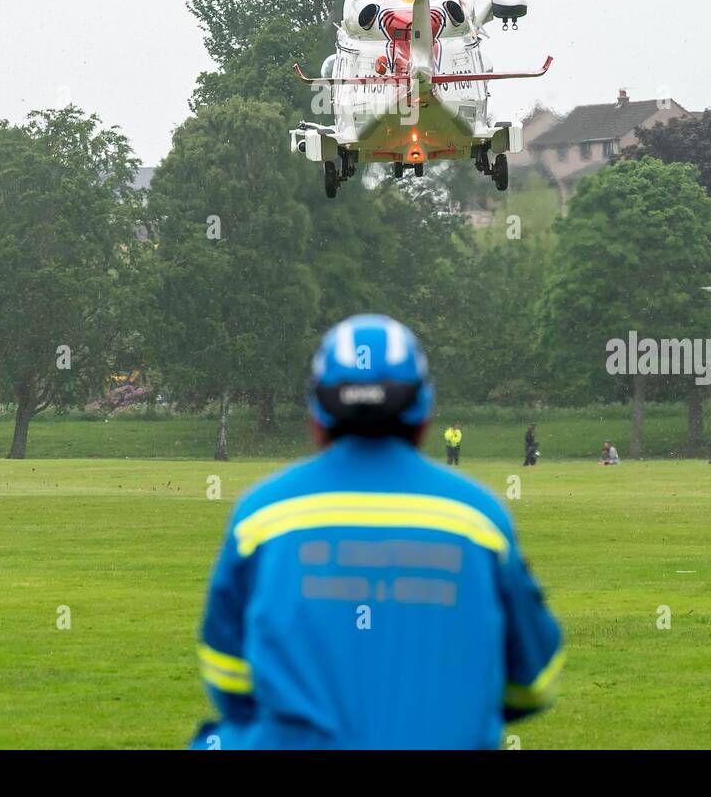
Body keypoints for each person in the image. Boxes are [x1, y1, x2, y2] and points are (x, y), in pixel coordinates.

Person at [190, 314, 564, 750]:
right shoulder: (478, 520)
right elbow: (534, 683)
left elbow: (228, 675)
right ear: (423, 413)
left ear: (316, 414)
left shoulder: (262, 516)